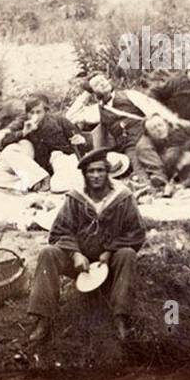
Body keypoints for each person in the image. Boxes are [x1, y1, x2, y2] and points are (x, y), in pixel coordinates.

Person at [26, 147, 147, 344]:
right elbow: (59, 231)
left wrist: (110, 250)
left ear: (108, 172)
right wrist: (74, 254)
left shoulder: (123, 198)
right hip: (79, 262)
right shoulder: (75, 199)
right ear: (84, 175)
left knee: (127, 254)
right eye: (91, 171)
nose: (96, 176)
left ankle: (120, 317)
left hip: (110, 261)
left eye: (100, 170)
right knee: (48, 253)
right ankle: (44, 320)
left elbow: (136, 233)